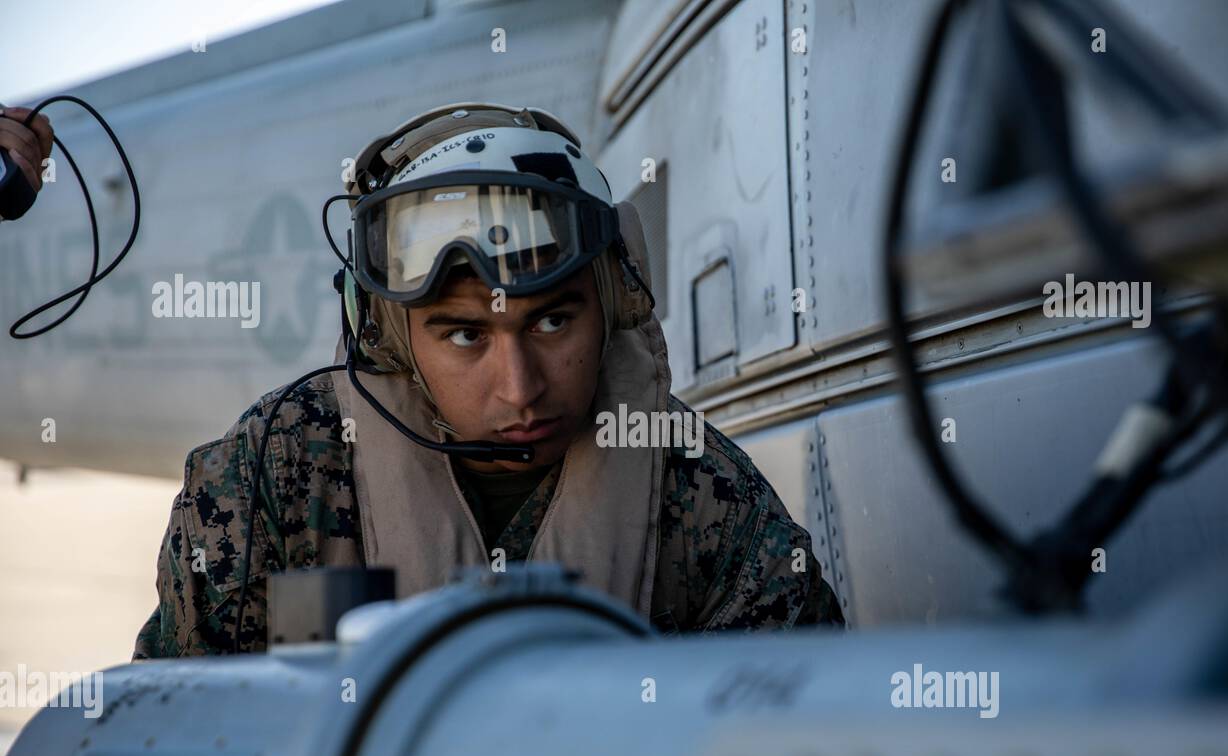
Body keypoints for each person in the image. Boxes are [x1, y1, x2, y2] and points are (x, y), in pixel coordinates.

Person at [134, 102, 843, 657]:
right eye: (467, 334)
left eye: (553, 321)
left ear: (619, 299)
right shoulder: (275, 477)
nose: (521, 388)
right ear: (384, 333)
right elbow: (180, 734)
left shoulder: (704, 496)